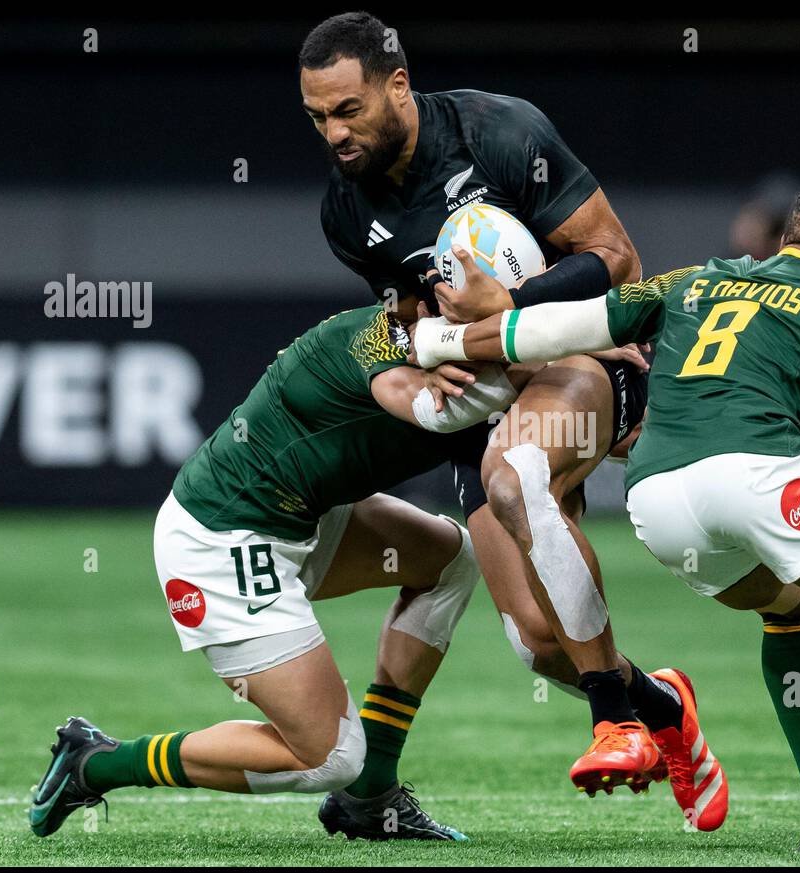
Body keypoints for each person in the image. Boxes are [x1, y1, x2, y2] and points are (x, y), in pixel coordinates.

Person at [411, 170, 800, 850]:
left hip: (656, 502)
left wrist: (435, 344)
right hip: (755, 476)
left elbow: (541, 331)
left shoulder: (694, 279)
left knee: (792, 606)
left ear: (788, 236)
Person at [302, 11, 727, 831]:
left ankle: (616, 720)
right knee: (539, 641)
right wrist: (419, 345)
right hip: (487, 401)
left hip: (583, 361)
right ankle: (666, 709)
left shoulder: (501, 132)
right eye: (318, 117)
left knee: (519, 473)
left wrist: (512, 309)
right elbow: (401, 316)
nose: (335, 133)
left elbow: (615, 258)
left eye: (349, 110)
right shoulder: (345, 210)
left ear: (397, 86)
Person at [30, 303, 522, 841]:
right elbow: (431, 400)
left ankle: (371, 795)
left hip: (295, 519)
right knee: (330, 757)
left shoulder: (443, 343)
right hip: (222, 540)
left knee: (448, 561)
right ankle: (98, 763)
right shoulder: (372, 339)